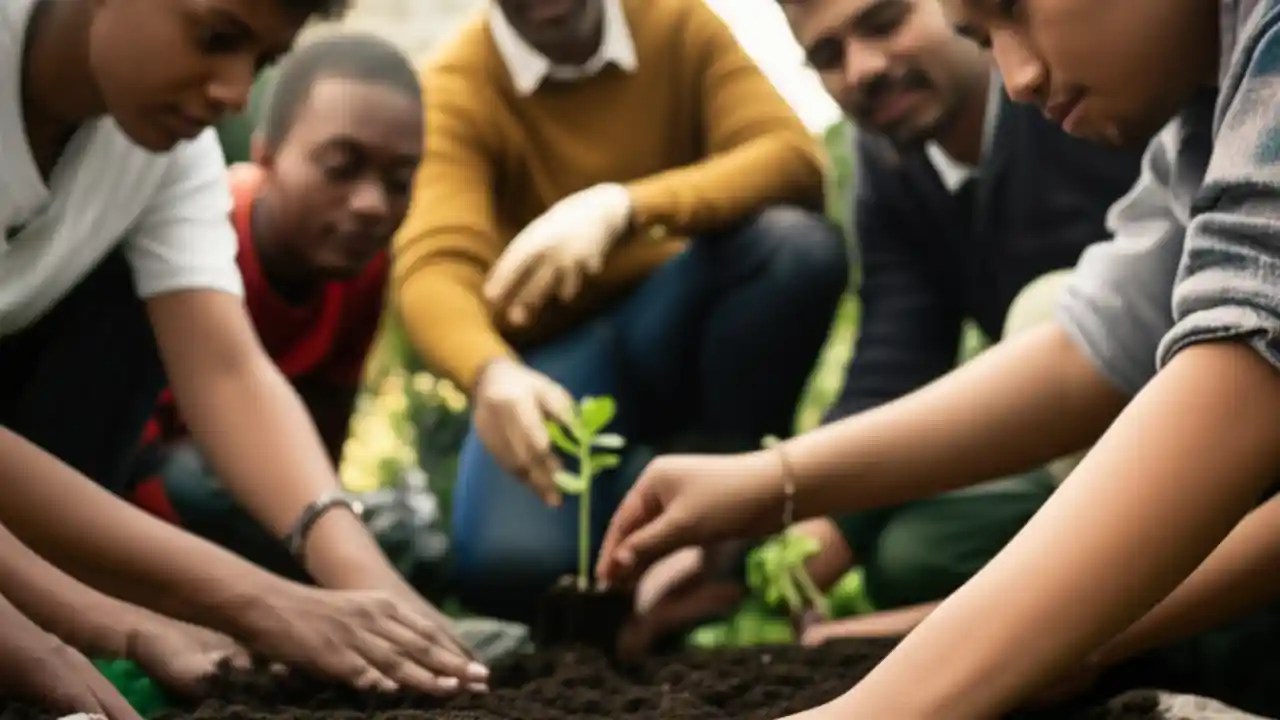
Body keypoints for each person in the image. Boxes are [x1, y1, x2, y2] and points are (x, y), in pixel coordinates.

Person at [596, 0, 1280, 715]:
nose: (1015, 76)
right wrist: (773, 485)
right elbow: (1095, 346)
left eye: (1015, 10)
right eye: (985, 35)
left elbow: (1242, 367)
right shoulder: (1195, 113)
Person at [0, 0, 489, 707]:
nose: (234, 90)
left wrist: (375, 588)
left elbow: (227, 369)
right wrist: (235, 603)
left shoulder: (164, 149)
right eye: (216, 36)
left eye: (260, 61)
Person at [395, 0, 849, 619]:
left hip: (677, 318)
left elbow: (791, 158)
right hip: (556, 365)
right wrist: (489, 372)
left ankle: (722, 512)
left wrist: (621, 209)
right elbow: (434, 264)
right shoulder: (459, 84)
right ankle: (635, 575)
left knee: (792, 252)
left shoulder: (678, 25)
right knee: (510, 573)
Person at [127, 33, 421, 581]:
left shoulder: (361, 269)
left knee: (401, 533)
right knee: (201, 481)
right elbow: (125, 448)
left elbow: (328, 419)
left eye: (399, 181)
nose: (371, 204)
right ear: (266, 156)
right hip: (152, 500)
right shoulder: (192, 240)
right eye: (340, 167)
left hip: (274, 501)